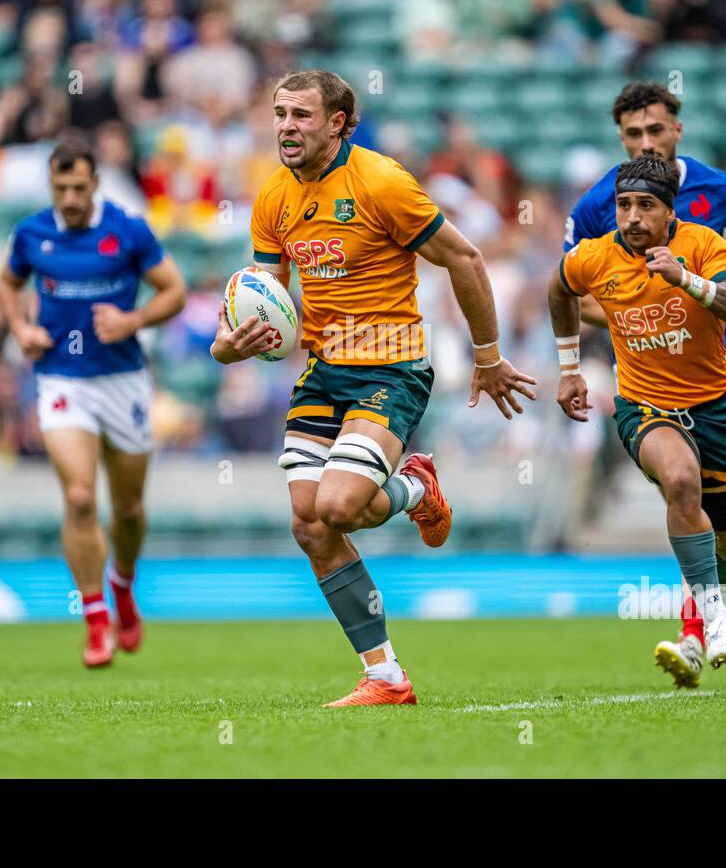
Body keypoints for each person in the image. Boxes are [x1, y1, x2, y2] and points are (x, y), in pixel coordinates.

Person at [210, 69, 537, 707]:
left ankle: (416, 487)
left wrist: (489, 355)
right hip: (323, 370)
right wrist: (227, 345)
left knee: (336, 506)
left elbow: (465, 257)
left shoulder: (381, 182)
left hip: (391, 365)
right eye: (279, 114)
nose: (285, 127)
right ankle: (385, 676)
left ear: (338, 122)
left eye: (301, 115)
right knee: (310, 525)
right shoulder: (273, 196)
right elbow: (264, 298)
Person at [564, 80, 726, 678]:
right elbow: (573, 289)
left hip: (722, 363)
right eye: (633, 134)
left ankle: (713, 599)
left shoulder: (717, 193)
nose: (647, 142)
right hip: (646, 372)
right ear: (620, 138)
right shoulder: (597, 206)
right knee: (680, 483)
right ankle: (701, 630)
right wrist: (627, 309)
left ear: (677, 130)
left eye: (655, 130)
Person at [0, 139, 186, 668]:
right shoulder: (34, 232)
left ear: (97, 182)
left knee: (128, 509)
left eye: (79, 187)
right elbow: (7, 283)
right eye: (61, 188)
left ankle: (123, 583)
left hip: (123, 380)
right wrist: (18, 326)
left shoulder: (127, 229)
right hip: (62, 380)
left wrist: (133, 321)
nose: (71, 198)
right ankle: (96, 618)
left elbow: (173, 289)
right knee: (80, 497)